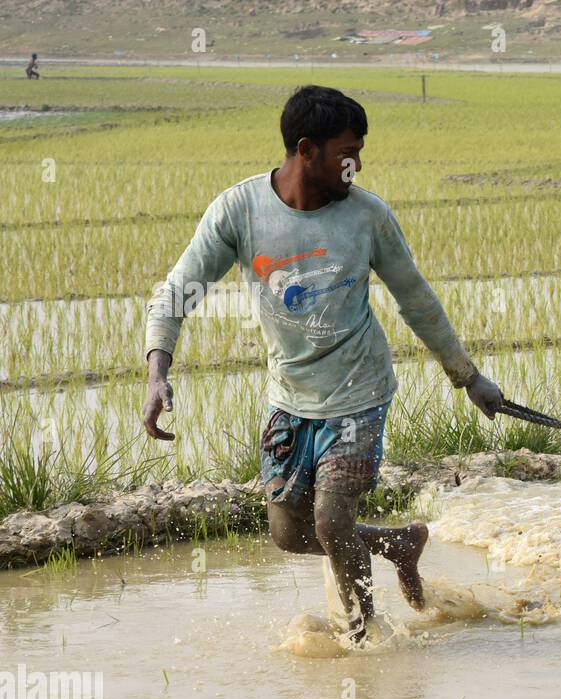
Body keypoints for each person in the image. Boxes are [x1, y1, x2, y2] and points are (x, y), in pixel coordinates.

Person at [144, 85, 501, 642]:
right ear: (306, 150)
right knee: (289, 534)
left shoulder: (367, 216)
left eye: (359, 151)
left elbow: (416, 298)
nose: (357, 164)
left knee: (332, 522)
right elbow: (178, 290)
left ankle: (360, 640)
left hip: (360, 389)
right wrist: (157, 372)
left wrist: (468, 377)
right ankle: (396, 543)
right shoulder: (239, 211)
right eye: (346, 153)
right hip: (290, 396)